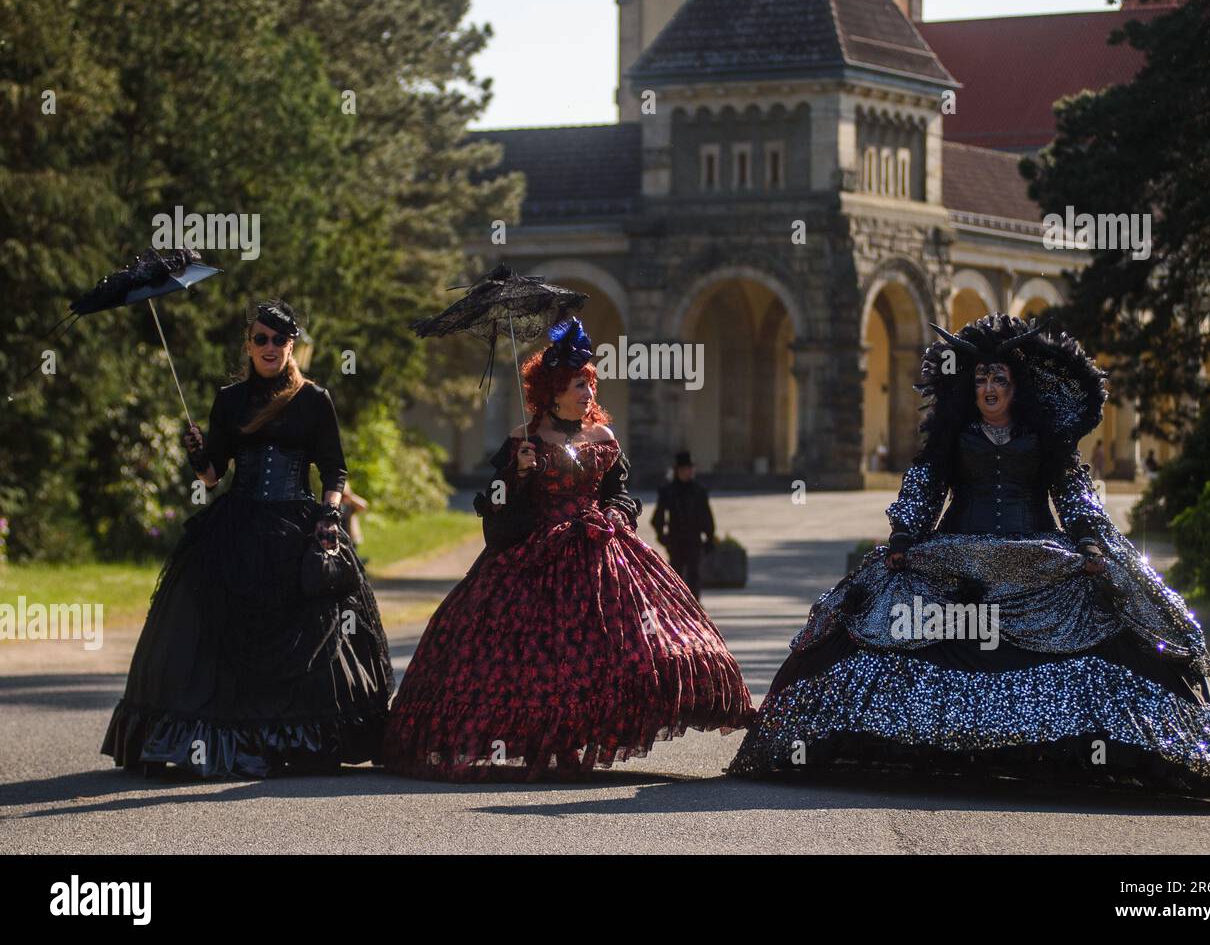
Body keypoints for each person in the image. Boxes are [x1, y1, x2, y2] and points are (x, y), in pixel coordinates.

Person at [728, 313, 1210, 809]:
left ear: (1016, 387)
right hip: (956, 554)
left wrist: (1089, 543)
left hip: (1037, 557)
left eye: (1000, 380)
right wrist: (903, 538)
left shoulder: (1047, 441)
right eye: (982, 379)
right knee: (876, 621)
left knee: (1109, 618)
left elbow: (1074, 495)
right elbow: (925, 488)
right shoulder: (952, 437)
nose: (989, 388)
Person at [382, 317, 753, 781]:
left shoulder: (604, 439)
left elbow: (619, 494)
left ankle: (586, 734)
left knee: (630, 646)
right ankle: (546, 741)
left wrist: (615, 516)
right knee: (537, 659)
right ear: (554, 389)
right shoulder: (523, 439)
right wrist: (517, 474)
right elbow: (498, 510)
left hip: (601, 549)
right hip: (535, 556)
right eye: (579, 384)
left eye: (590, 383)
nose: (588, 393)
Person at [101, 300, 394, 779]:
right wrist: (197, 453)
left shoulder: (314, 399)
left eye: (280, 340)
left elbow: (333, 467)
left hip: (298, 526)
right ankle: (225, 739)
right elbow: (214, 477)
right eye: (261, 339)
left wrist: (330, 513)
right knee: (214, 628)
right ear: (249, 344)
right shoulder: (230, 400)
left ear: (291, 345)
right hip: (238, 527)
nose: (270, 348)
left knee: (311, 631)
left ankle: (303, 741)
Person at [651, 450, 717, 600]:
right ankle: (677, 605)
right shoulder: (668, 491)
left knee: (694, 575)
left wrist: (710, 537)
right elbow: (658, 517)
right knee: (676, 575)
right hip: (676, 539)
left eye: (690, 469)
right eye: (684, 469)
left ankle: (694, 606)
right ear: (678, 471)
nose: (687, 472)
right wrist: (662, 536)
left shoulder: (699, 491)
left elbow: (706, 516)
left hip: (694, 539)